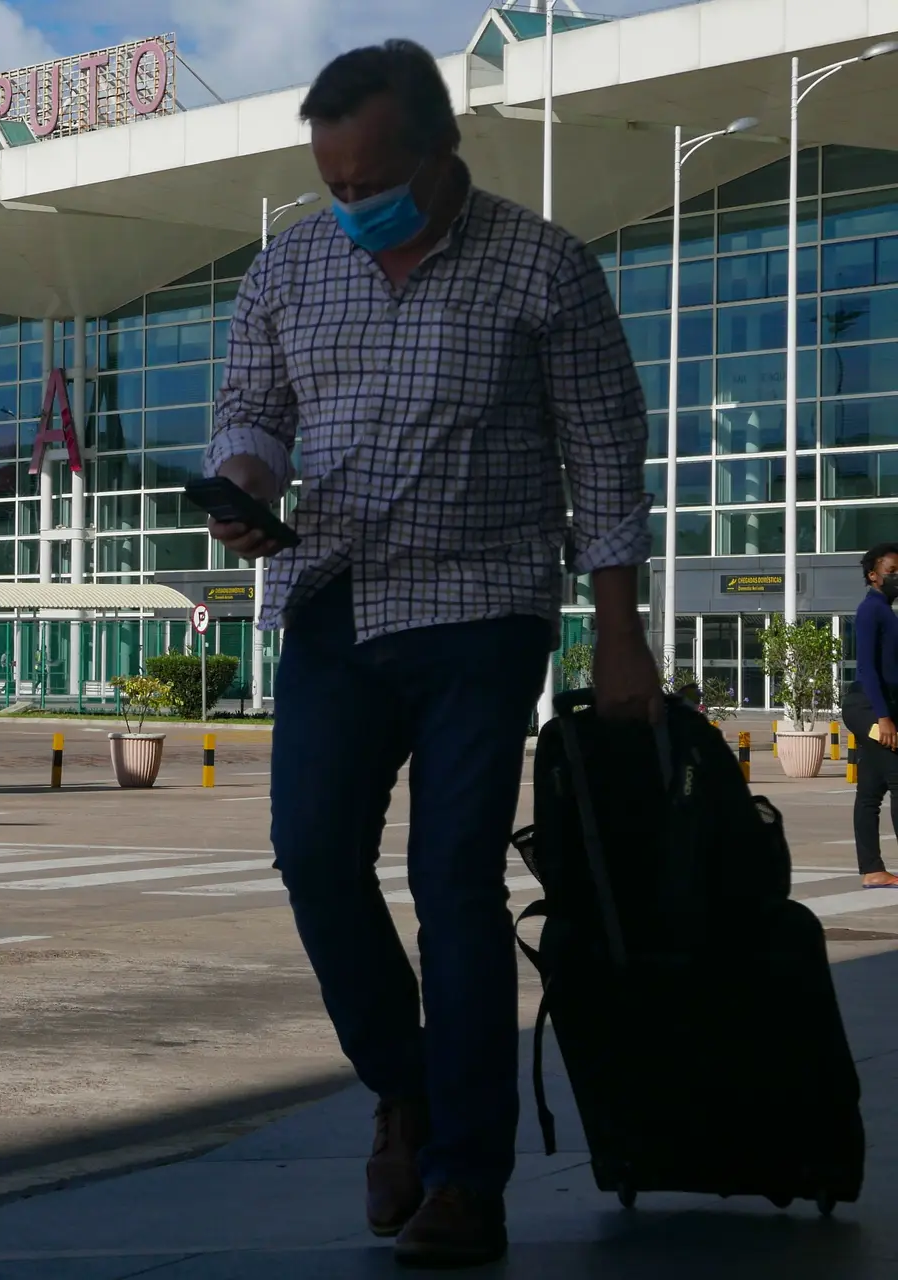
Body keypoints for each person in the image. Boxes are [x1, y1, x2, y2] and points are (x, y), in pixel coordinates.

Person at [204, 41, 659, 1268]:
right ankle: (401, 1088)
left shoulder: (545, 266)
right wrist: (244, 483)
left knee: (454, 876)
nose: (351, 206)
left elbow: (606, 457)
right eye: (333, 182)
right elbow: (252, 413)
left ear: (438, 150)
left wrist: (621, 637)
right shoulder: (292, 262)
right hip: (335, 597)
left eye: (371, 180)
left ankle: (467, 1176)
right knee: (310, 855)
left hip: (484, 601)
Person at [843, 543, 898, 888]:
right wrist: (884, 718)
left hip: (880, 708)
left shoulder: (887, 611)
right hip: (866, 708)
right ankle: (872, 869)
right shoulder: (870, 611)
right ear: (873, 576)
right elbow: (867, 669)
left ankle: (872, 870)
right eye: (892, 572)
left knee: (870, 791)